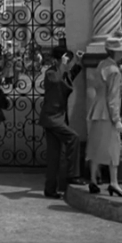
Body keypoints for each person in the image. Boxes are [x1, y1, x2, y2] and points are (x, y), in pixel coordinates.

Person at [86, 29, 122, 197]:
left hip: (97, 109)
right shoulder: (114, 70)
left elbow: (106, 89)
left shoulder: (103, 64)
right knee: (113, 147)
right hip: (107, 112)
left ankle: (93, 179)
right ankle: (114, 183)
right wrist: (117, 119)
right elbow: (112, 97)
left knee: (96, 145)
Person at [39, 46, 86, 198]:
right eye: (66, 58)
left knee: (54, 155)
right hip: (52, 117)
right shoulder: (51, 72)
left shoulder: (62, 72)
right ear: (59, 60)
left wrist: (78, 62)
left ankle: (50, 189)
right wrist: (62, 65)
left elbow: (70, 76)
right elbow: (57, 79)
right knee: (74, 137)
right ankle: (73, 175)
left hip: (56, 117)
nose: (68, 62)